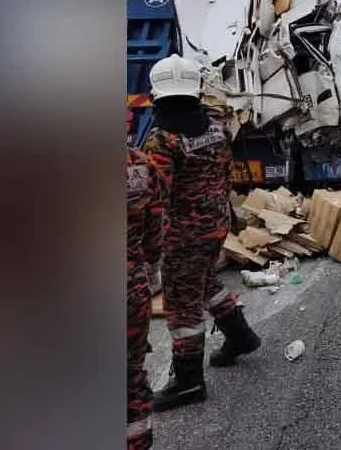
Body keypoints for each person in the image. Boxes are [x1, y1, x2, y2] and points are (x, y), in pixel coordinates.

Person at [143, 54, 261, 412]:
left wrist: (145, 246)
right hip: (215, 224)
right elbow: (227, 174)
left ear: (156, 95)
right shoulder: (217, 126)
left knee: (181, 306)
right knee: (205, 281)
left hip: (183, 235)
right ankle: (240, 336)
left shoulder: (161, 140)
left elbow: (154, 196)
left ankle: (188, 383)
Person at [126, 109, 168, 449]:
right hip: (131, 291)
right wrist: (150, 266)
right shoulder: (140, 164)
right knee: (129, 378)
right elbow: (155, 232)